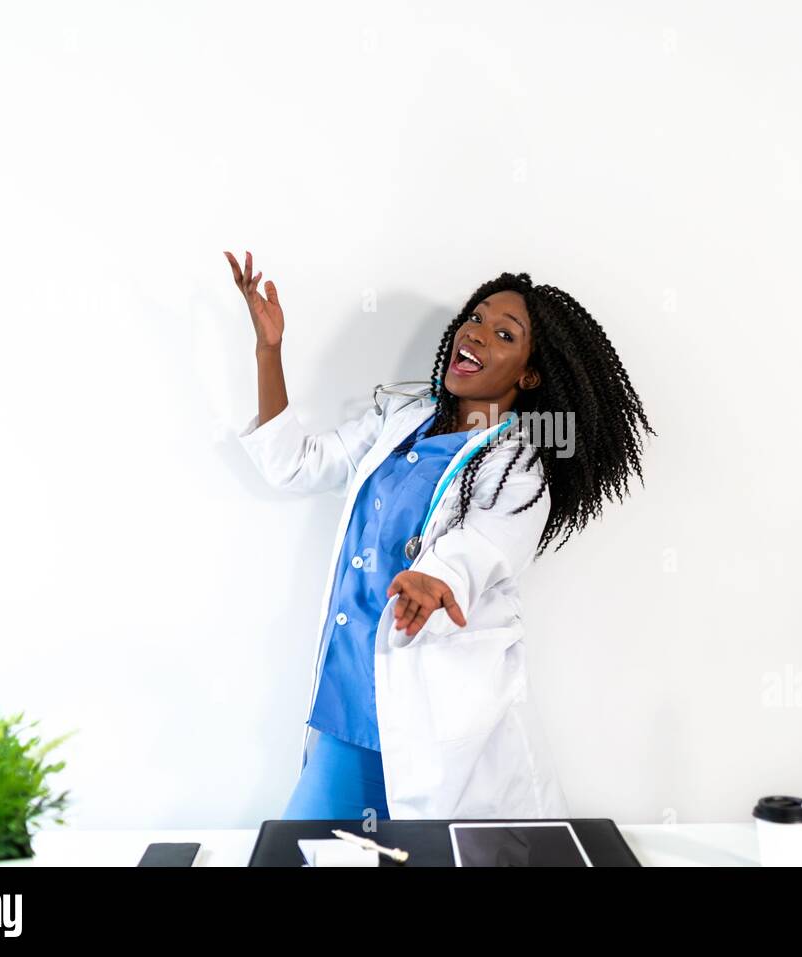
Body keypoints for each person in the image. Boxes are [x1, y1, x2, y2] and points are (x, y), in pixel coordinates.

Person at [224, 250, 653, 819]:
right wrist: (268, 351)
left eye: (504, 333)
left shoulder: (517, 466)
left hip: (435, 726)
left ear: (529, 374)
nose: (476, 335)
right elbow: (296, 465)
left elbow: (487, 544)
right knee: (302, 850)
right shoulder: (400, 421)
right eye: (475, 318)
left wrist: (436, 577)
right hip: (348, 706)